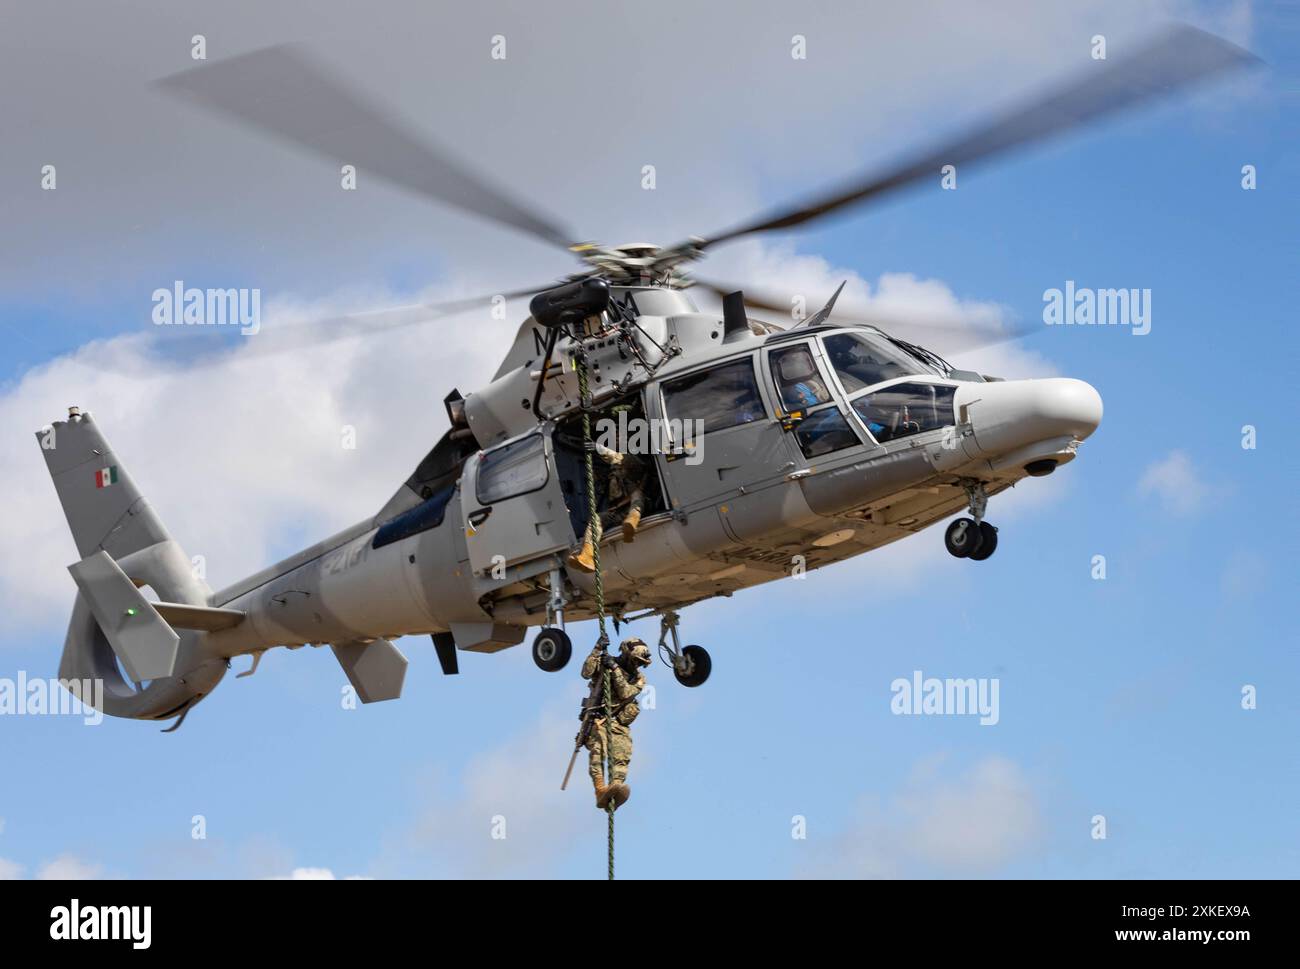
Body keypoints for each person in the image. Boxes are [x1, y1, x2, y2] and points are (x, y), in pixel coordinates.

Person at [581, 637, 652, 810]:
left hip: (618, 721)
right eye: (635, 661)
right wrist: (597, 650)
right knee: (598, 749)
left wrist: (614, 669)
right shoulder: (606, 662)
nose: (637, 665)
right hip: (598, 717)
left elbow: (625, 692)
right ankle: (600, 790)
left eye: (640, 663)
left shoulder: (639, 678)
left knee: (623, 752)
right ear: (627, 655)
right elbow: (586, 672)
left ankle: (615, 789)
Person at [568, 442, 647, 573]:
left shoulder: (634, 462)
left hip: (639, 506)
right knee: (596, 519)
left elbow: (618, 458)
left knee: (637, 499)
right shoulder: (612, 476)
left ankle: (631, 522)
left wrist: (599, 448)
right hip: (618, 512)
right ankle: (587, 555)